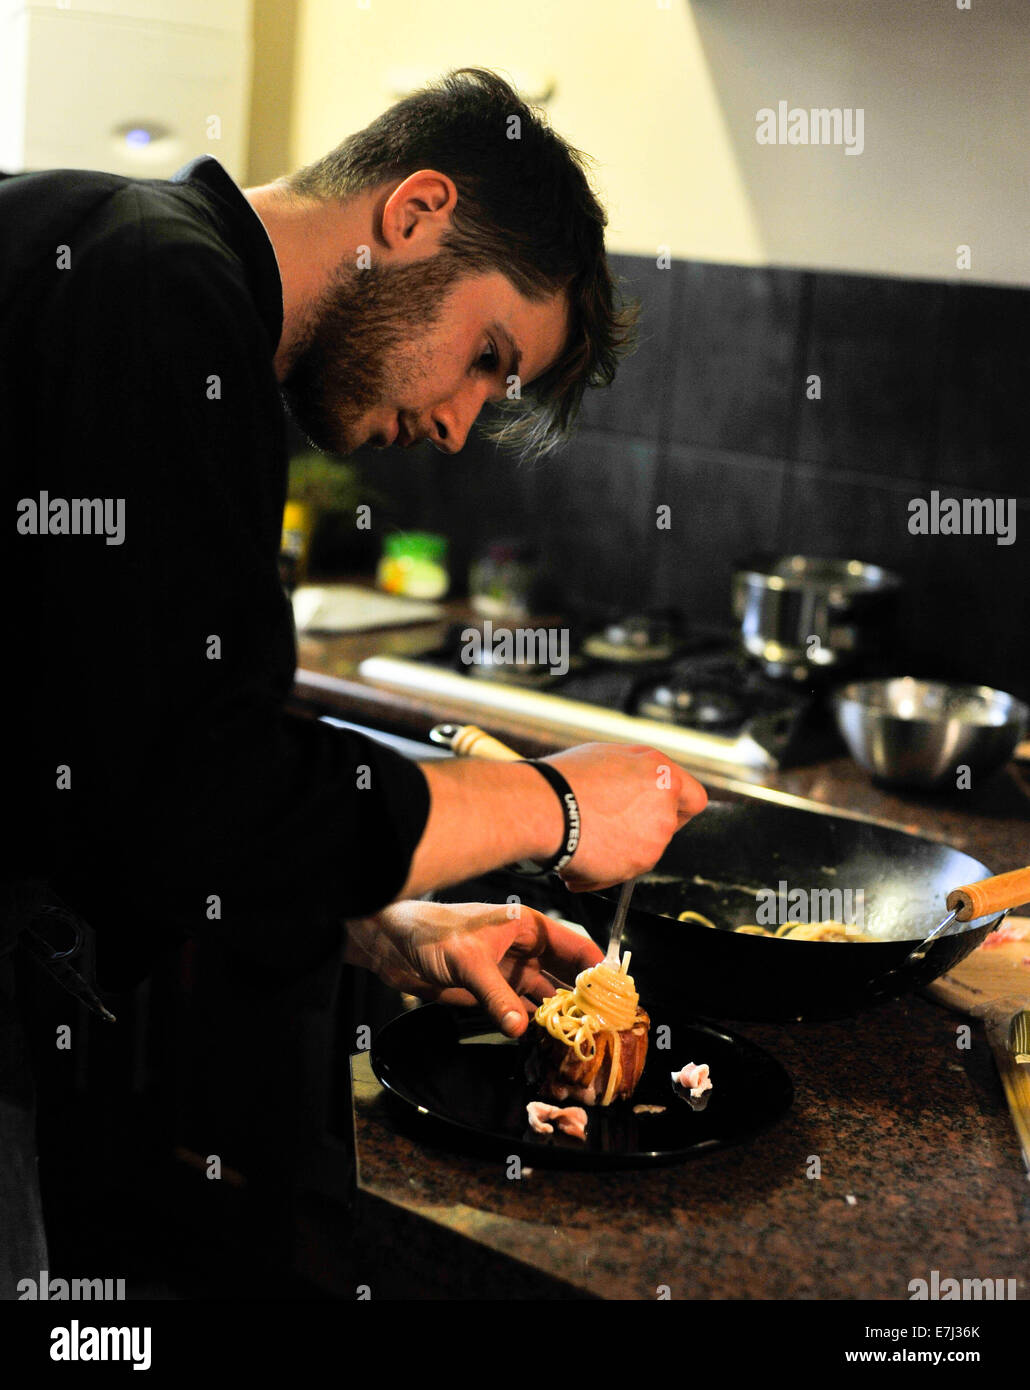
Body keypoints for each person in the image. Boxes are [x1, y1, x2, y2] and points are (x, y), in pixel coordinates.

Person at [0, 67, 706, 1294]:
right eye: (487, 357)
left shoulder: (126, 261)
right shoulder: (162, 295)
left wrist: (377, 920)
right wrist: (562, 803)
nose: (456, 424)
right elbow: (202, 787)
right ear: (417, 209)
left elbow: (111, 772)